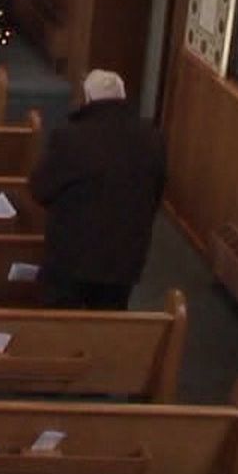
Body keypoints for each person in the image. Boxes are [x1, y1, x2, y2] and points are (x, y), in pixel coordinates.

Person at [27, 70, 167, 310]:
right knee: (108, 327)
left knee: (57, 326)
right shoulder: (153, 139)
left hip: (72, 259)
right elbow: (155, 195)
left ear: (87, 99)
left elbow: (40, 189)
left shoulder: (69, 138)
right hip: (125, 259)